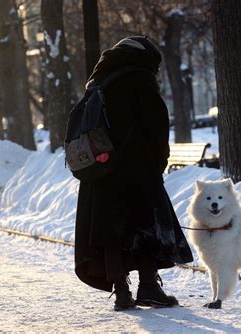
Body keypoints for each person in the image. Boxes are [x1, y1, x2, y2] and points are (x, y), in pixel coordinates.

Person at [74, 36, 193, 311]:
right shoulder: (139, 77)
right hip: (136, 168)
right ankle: (149, 287)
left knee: (111, 232)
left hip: (101, 170)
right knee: (144, 225)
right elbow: (156, 123)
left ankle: (122, 294)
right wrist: (158, 162)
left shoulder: (97, 80)